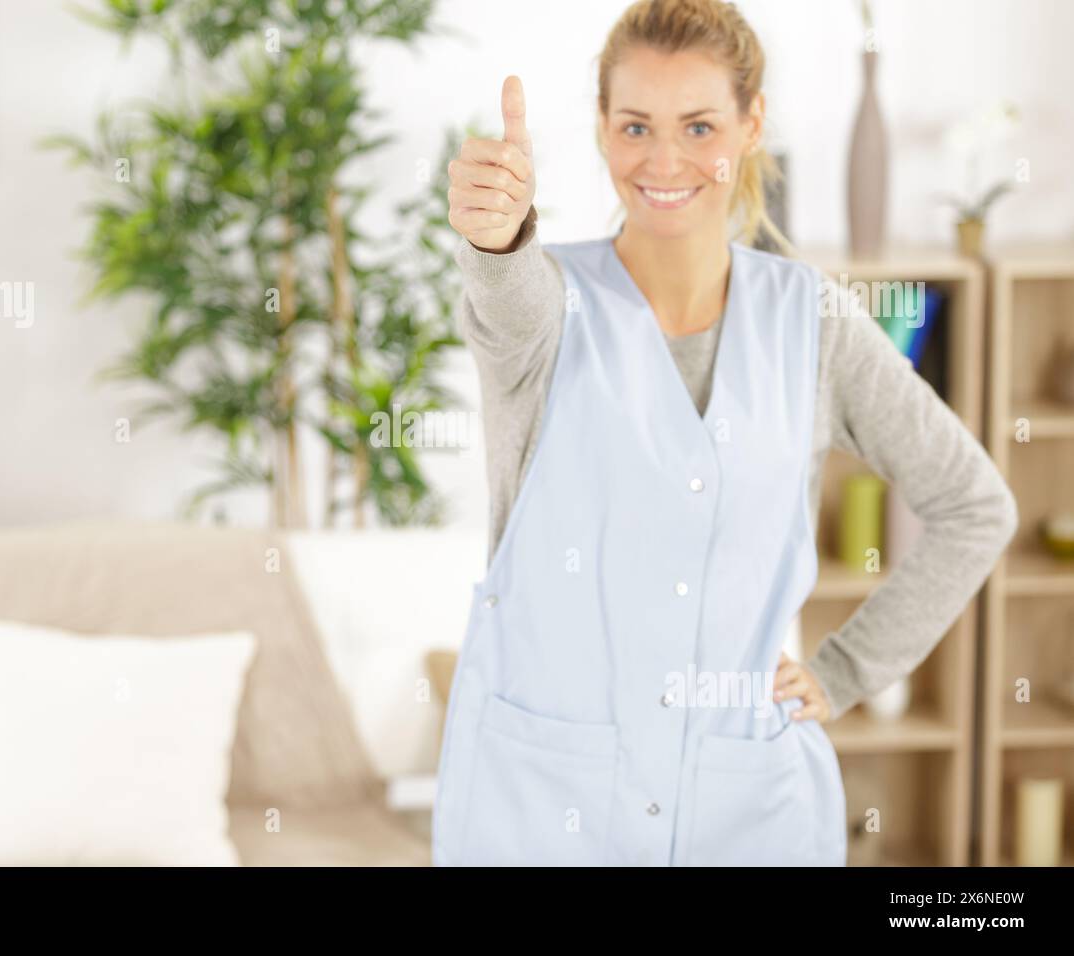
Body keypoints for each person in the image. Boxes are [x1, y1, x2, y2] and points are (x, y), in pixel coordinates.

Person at [431, 0, 1018, 866]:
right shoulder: (548, 310)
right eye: (635, 125)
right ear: (600, 130)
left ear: (752, 126)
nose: (664, 161)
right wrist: (499, 235)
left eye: (699, 125)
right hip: (541, 807)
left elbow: (976, 505)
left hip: (746, 813)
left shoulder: (811, 319)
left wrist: (845, 669)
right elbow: (503, 293)